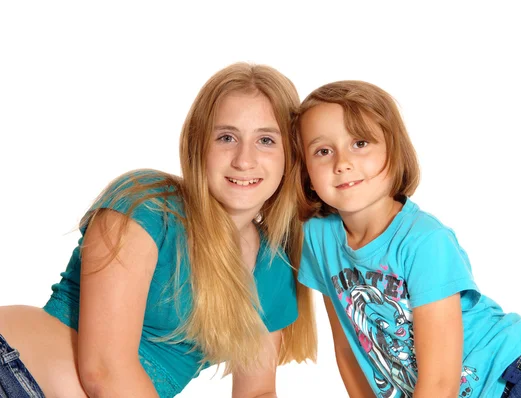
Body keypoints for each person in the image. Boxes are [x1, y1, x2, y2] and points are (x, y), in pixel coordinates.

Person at [0, 62, 317, 398]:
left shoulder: (274, 268)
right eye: (226, 137)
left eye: (266, 140)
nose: (243, 160)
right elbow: (104, 370)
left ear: (291, 155)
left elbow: (257, 393)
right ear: (198, 145)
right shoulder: (149, 205)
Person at [293, 80, 521, 398]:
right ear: (307, 174)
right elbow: (348, 346)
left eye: (360, 143)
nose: (342, 163)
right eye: (323, 151)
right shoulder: (319, 238)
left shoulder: (425, 243)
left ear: (394, 152)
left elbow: (439, 385)